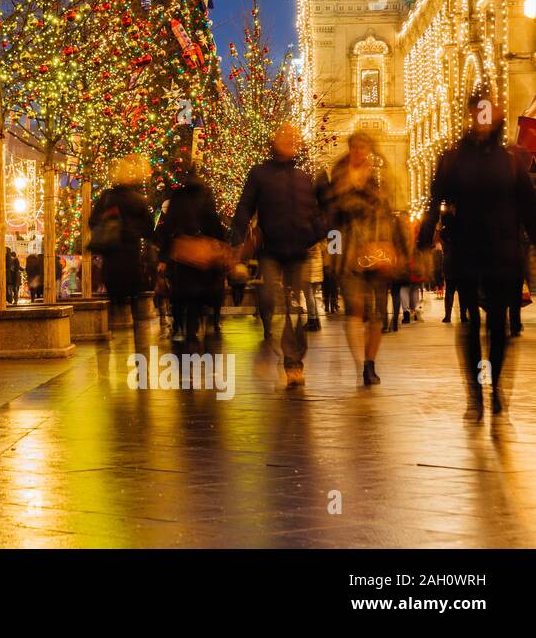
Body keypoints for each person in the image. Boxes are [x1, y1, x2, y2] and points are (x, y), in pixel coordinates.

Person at [418, 90, 536, 417]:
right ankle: (477, 393)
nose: (484, 118)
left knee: (498, 328)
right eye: (479, 112)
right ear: (471, 115)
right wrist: (423, 240)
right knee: (470, 326)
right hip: (467, 253)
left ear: (496, 116)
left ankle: (494, 386)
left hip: (502, 256)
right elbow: (434, 201)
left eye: (489, 111)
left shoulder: (511, 160)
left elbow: (530, 211)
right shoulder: (453, 159)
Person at [230, 124, 326, 386]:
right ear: (274, 142)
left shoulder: (303, 177)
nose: (289, 140)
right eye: (284, 136)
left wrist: (317, 233)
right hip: (270, 250)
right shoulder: (260, 174)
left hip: (298, 251)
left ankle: (293, 362)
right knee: (271, 299)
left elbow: (316, 212)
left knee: (295, 308)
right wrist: (238, 241)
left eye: (293, 137)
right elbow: (244, 207)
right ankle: (277, 344)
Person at [324, 130, 404, 386]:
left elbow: (390, 211)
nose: (359, 151)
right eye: (355, 147)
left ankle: (370, 362)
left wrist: (392, 247)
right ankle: (361, 364)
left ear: (369, 149)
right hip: (348, 252)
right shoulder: (337, 175)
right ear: (349, 149)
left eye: (363, 147)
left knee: (378, 313)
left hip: (377, 248)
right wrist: (333, 254)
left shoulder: (381, 176)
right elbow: (331, 219)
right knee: (355, 307)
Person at [154, 159, 226, 344]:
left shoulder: (178, 195)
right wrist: (221, 243)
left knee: (179, 291)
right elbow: (213, 220)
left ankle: (178, 326)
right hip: (200, 249)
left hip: (180, 249)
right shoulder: (206, 194)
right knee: (195, 293)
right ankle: (191, 330)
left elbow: (168, 226)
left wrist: (163, 255)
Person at [89, 152, 156, 335]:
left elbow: (92, 221)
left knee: (112, 305)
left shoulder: (107, 197)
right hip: (131, 258)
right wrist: (134, 232)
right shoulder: (137, 200)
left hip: (111, 259)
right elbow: (149, 229)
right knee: (135, 308)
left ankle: (106, 344)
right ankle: (139, 349)